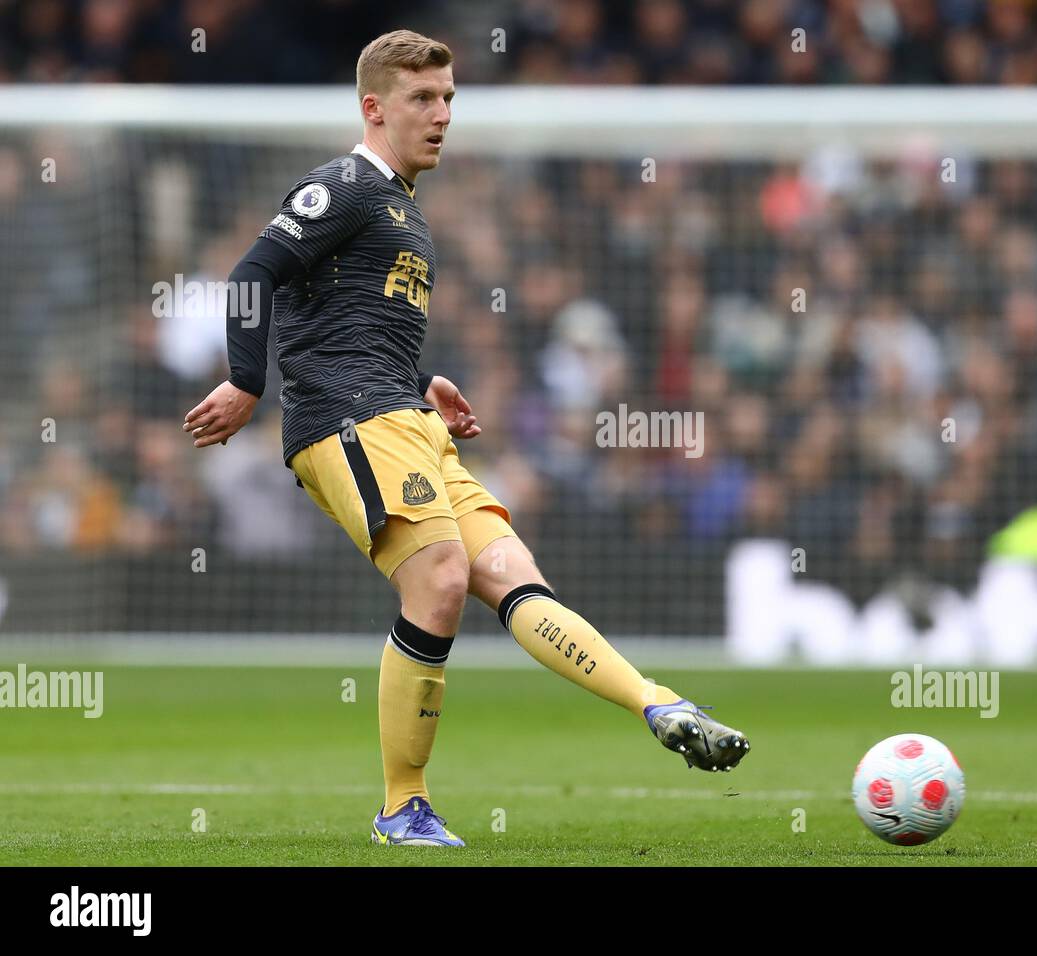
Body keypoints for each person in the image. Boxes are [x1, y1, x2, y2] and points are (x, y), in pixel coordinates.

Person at [182, 30, 749, 848]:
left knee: (511, 573)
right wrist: (245, 380)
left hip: (403, 418)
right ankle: (401, 806)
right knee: (441, 579)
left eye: (448, 98)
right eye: (422, 98)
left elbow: (345, 322)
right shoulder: (344, 184)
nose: (442, 114)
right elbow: (251, 275)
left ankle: (658, 702)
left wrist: (422, 383)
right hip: (347, 421)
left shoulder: (405, 208)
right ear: (374, 108)